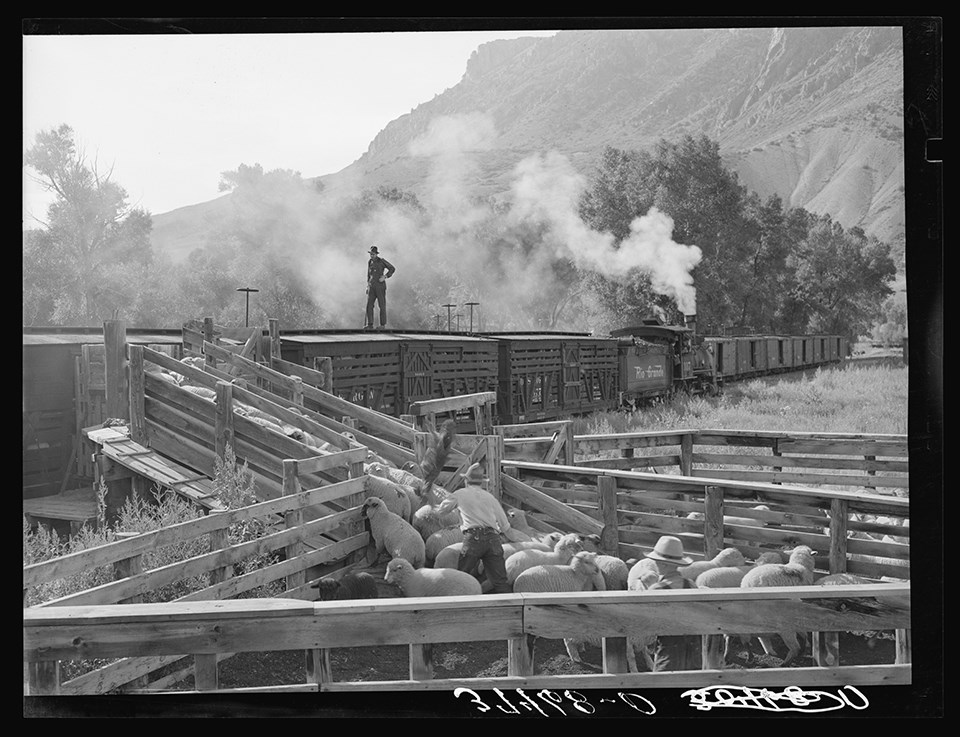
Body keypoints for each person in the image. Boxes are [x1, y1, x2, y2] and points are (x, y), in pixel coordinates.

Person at [436, 462, 524, 594]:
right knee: (500, 581)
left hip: (473, 538)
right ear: (482, 482)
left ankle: (460, 607)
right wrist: (517, 540)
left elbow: (441, 511)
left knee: (462, 578)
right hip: (493, 539)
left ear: (466, 480)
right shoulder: (490, 498)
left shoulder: (460, 494)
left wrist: (457, 510)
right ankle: (509, 608)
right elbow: (505, 526)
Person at [643, 535, 701, 670]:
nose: (655, 564)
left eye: (656, 561)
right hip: (694, 648)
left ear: (663, 563)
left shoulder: (656, 589)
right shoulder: (691, 584)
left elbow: (648, 620)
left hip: (668, 648)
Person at [364, 245, 396, 330]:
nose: (372, 255)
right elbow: (368, 274)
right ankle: (370, 324)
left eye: (373, 254)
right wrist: (367, 286)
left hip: (380, 286)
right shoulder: (369, 262)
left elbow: (392, 268)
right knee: (369, 305)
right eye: (371, 254)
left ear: (376, 254)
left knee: (381, 305)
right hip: (372, 286)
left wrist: (385, 276)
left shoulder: (382, 261)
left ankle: (382, 325)